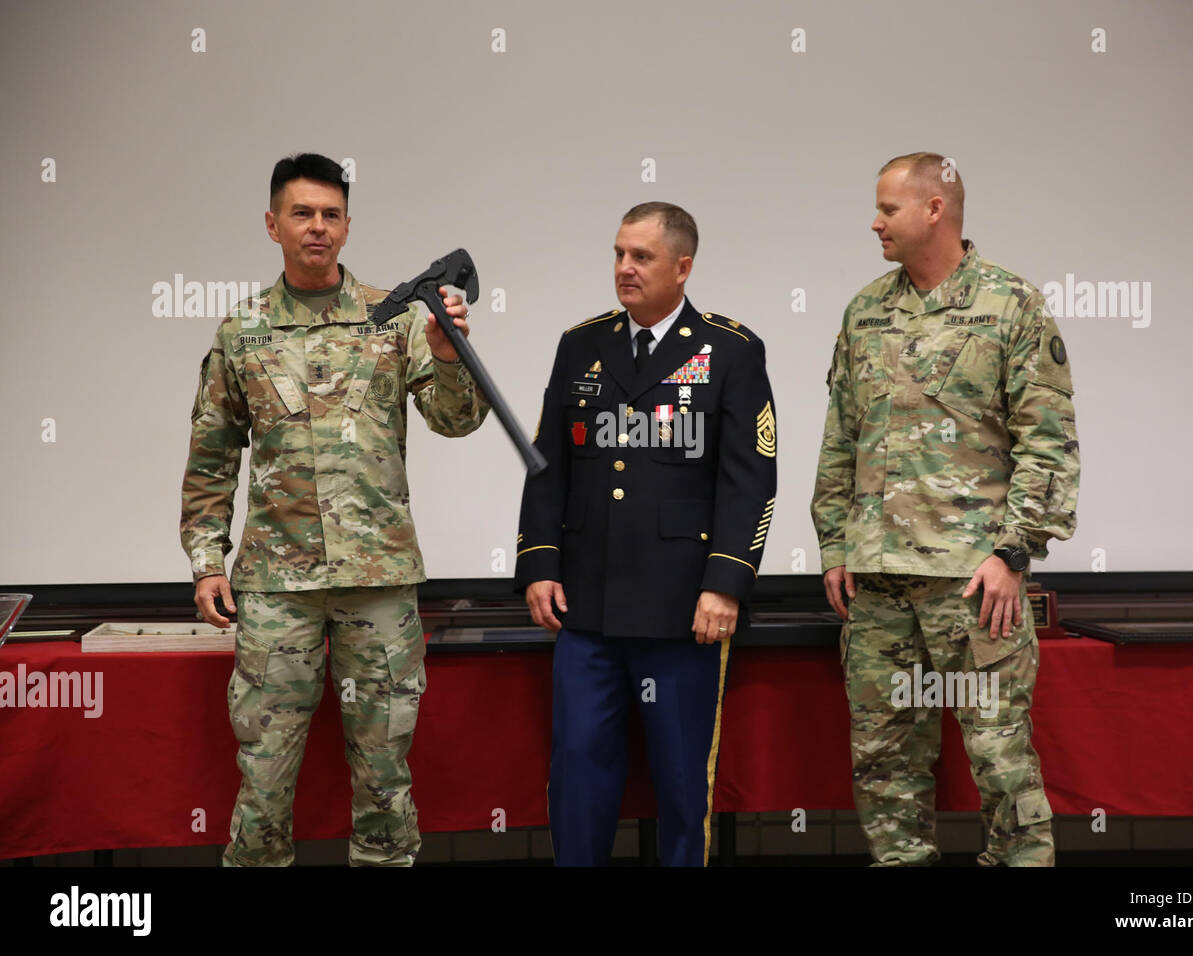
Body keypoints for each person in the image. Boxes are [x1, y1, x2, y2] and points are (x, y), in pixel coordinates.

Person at [180, 153, 489, 866]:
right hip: (275, 589)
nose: (316, 227)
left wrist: (448, 352)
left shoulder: (398, 321)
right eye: (301, 213)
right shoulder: (242, 332)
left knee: (385, 775)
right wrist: (205, 562)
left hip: (377, 582)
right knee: (264, 772)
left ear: (347, 226)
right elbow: (211, 456)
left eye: (329, 215)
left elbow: (455, 420)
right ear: (272, 224)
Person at [811, 152, 1080, 866]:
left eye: (888, 209)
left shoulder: (1010, 305)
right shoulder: (865, 311)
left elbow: (1048, 443)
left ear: (936, 209)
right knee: (887, 776)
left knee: (1001, 768)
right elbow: (841, 436)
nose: (875, 222)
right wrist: (835, 547)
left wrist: (1013, 553)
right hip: (878, 588)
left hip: (973, 585)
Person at [515, 202, 778, 866]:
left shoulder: (730, 350)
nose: (624, 269)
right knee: (578, 774)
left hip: (684, 612)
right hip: (588, 608)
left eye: (641, 257)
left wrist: (725, 584)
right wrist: (540, 562)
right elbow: (548, 465)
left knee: (683, 784)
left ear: (683, 267)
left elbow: (750, 480)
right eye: (618, 254)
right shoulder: (581, 343)